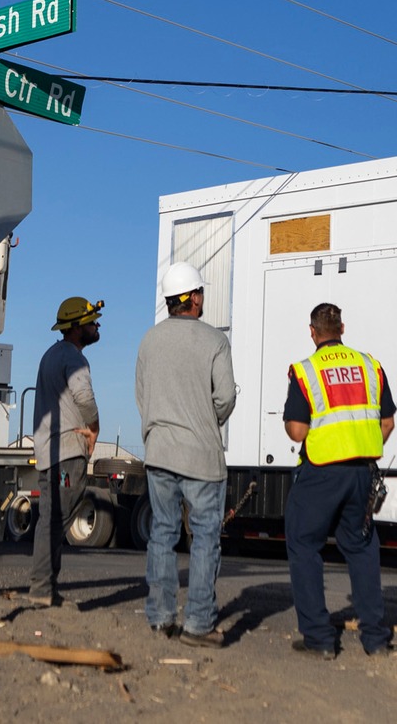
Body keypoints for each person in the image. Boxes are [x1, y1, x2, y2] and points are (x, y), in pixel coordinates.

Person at [282, 302, 396, 657]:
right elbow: (387, 423)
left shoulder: (306, 371)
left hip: (320, 472)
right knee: (361, 549)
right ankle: (375, 639)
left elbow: (298, 431)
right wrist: (359, 445)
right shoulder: (370, 365)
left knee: (304, 544)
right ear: (342, 329)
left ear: (312, 332)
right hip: (362, 473)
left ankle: (319, 639)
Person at [134, 261, 237, 647]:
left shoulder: (149, 340)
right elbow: (225, 397)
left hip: (159, 452)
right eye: (201, 292)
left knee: (162, 533)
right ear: (193, 298)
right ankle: (198, 624)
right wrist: (206, 421)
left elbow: (142, 395)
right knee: (206, 536)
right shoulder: (214, 341)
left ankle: (160, 618)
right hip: (201, 456)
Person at [28, 295, 102, 606]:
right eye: (91, 321)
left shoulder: (50, 356)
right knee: (55, 520)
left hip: (49, 453)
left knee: (50, 518)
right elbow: (83, 396)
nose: (96, 326)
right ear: (76, 326)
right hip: (67, 454)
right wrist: (94, 427)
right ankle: (42, 589)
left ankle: (44, 588)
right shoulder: (74, 358)